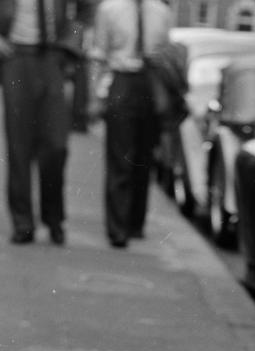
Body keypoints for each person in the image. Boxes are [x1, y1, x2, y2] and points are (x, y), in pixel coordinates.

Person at [0, 0, 92, 245]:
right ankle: (22, 222)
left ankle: (54, 218)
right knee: (19, 144)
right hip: (15, 57)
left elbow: (86, 7)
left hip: (53, 57)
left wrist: (70, 41)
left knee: (56, 144)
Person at [90, 0, 172, 247]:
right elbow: (98, 54)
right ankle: (117, 228)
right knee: (120, 158)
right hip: (122, 80)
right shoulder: (109, 9)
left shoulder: (162, 12)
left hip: (151, 83)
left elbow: (167, 55)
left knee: (144, 158)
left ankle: (136, 223)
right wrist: (95, 96)